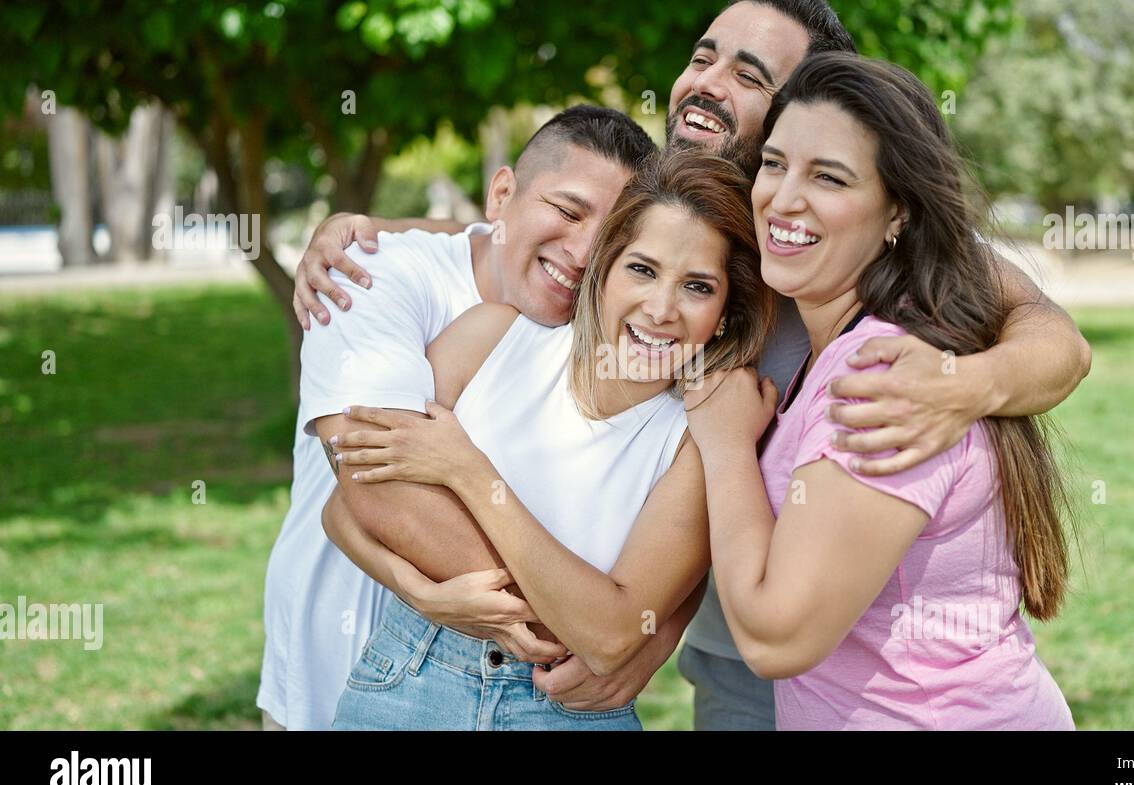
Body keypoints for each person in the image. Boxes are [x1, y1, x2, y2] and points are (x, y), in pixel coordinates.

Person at [288, 0, 1092, 731]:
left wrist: (965, 386)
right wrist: (371, 228)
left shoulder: (852, 274)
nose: (707, 83)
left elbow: (1059, 340)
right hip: (736, 672)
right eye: (704, 56)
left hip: (848, 676)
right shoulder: (676, 227)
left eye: (749, 74)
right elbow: (537, 225)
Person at [685, 51, 1075, 730]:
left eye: (828, 177)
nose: (784, 197)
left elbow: (779, 636)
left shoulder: (879, 374)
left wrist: (723, 444)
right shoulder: (865, 340)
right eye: (774, 164)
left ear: (897, 213)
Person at [325, 150, 773, 729]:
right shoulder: (490, 339)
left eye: (697, 286)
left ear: (725, 312)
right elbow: (349, 502)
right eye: (642, 269)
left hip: (565, 709)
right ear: (604, 270)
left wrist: (469, 470)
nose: (661, 309)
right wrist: (419, 591)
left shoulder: (697, 438)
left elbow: (612, 637)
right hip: (411, 672)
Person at [255, 106, 667, 730]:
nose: (583, 252)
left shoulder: (614, 334)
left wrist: (638, 631)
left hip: (518, 689)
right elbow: (379, 487)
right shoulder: (369, 274)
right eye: (567, 210)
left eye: (609, 235)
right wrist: (588, 621)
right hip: (339, 653)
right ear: (503, 193)